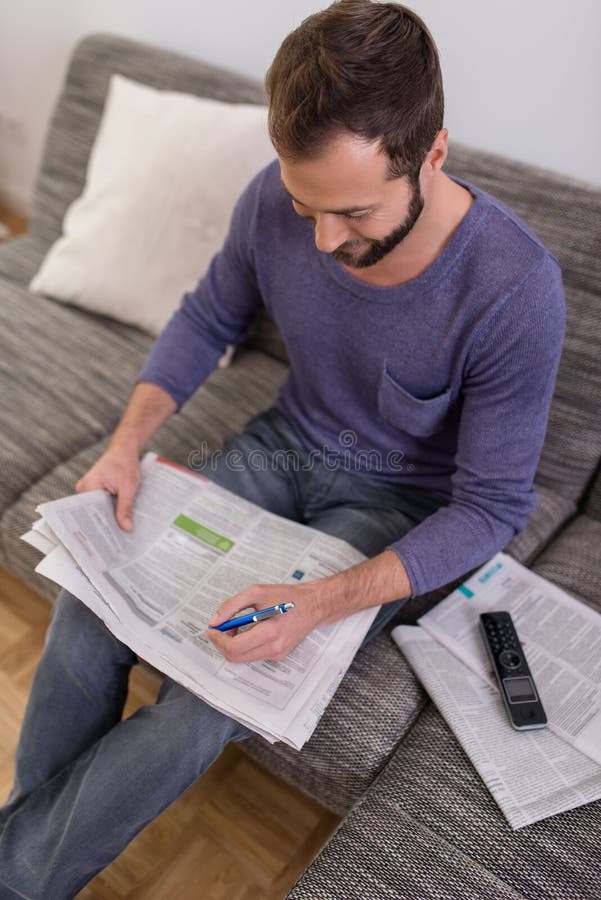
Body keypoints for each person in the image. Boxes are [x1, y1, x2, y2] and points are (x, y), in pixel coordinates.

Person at [0, 1, 565, 895]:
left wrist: (325, 605)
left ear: (433, 153)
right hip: (280, 448)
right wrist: (124, 445)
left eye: (351, 212)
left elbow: (491, 507)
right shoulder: (273, 198)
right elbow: (207, 316)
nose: (322, 239)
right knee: (88, 594)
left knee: (212, 695)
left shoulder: (513, 287)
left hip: (395, 506)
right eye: (304, 205)